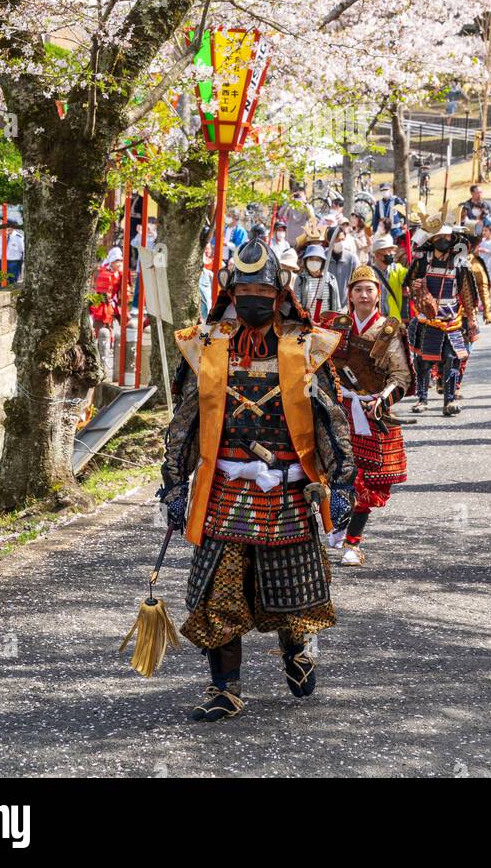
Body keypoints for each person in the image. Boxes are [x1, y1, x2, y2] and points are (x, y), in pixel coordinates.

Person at [158, 228, 355, 722]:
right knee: (216, 589)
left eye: (262, 294)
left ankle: (296, 648)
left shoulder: (306, 347)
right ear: (230, 294)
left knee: (292, 588)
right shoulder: (205, 347)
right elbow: (186, 420)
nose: (252, 302)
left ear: (279, 295)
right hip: (225, 486)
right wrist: (174, 483)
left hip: (288, 487)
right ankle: (225, 687)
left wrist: (343, 480)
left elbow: (330, 420)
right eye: (244, 295)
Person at [326, 265, 413, 567]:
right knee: (335, 472)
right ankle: (338, 523)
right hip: (337, 409)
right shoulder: (336, 326)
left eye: (369, 290)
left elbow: (401, 376)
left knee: (365, 481)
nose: (364, 295)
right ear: (349, 295)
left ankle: (353, 542)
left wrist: (381, 400)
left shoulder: (388, 330)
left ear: (378, 295)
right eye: (358, 289)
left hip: (369, 411)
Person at [404, 225, 478, 416]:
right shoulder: (422, 262)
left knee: (452, 358)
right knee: (423, 360)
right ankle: (422, 399)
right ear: (432, 238)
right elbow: (408, 287)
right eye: (440, 235)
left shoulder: (460, 264)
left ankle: (450, 400)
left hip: (451, 318)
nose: (444, 238)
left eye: (447, 235)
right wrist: (416, 286)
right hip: (427, 319)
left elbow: (467, 293)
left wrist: (472, 319)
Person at [294, 241, 341, 317]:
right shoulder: (300, 279)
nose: (314, 262)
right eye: (311, 259)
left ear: (322, 262)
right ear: (306, 261)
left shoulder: (331, 279)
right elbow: (297, 304)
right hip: (307, 324)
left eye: (317, 260)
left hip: (326, 323)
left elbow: (336, 305)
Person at [326, 224, 358, 307]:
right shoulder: (323, 258)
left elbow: (357, 281)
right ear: (329, 241)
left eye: (342, 239)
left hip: (345, 306)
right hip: (325, 304)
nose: (340, 243)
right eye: (337, 240)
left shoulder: (351, 258)